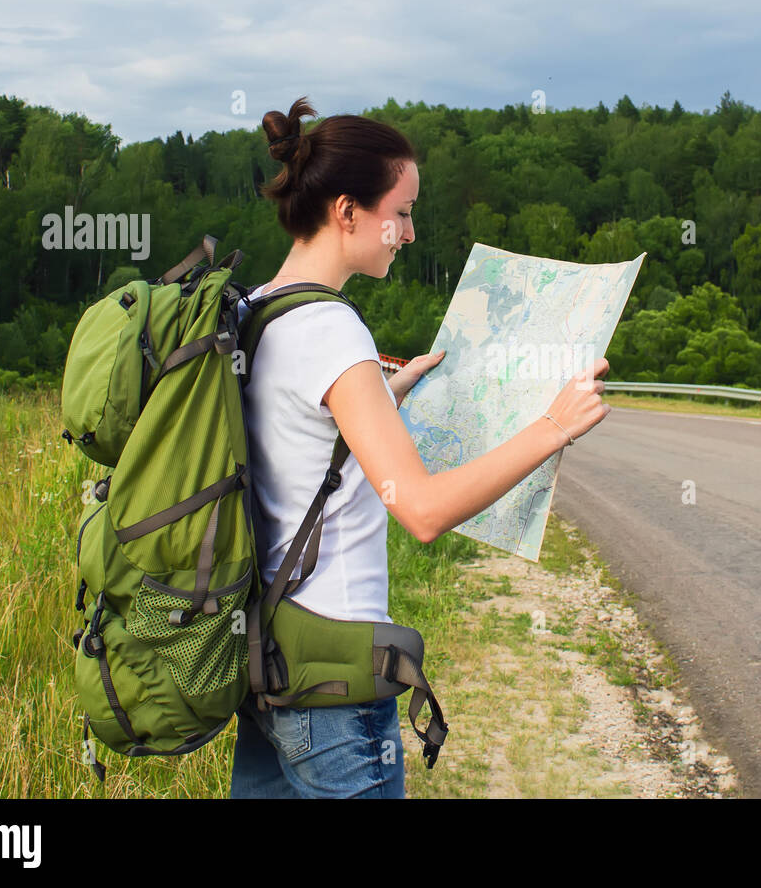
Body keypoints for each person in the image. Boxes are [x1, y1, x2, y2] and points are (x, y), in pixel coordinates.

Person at [228, 96, 612, 798]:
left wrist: (386, 395)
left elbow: (295, 443)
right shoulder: (332, 331)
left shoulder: (258, 309)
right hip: (337, 681)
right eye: (399, 213)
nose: (408, 232)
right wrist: (552, 426)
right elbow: (425, 512)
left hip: (269, 665)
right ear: (347, 212)